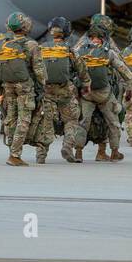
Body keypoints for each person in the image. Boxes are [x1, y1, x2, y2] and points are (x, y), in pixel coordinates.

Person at [0, 12, 45, 166]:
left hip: (7, 85)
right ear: (25, 27)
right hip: (24, 87)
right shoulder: (31, 45)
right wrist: (44, 85)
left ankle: (11, 146)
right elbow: (39, 71)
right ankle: (14, 155)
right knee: (24, 120)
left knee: (11, 117)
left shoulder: (1, 44)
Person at [78, 22, 132, 161]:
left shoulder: (80, 51)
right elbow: (122, 68)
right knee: (113, 122)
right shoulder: (108, 52)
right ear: (103, 37)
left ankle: (78, 152)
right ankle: (114, 152)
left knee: (83, 123)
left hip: (86, 93)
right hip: (104, 93)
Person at [35, 16, 85, 163]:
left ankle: (41, 155)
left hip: (46, 92)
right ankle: (68, 147)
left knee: (46, 122)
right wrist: (86, 83)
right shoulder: (69, 49)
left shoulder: (41, 47)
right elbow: (81, 69)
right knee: (71, 119)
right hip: (65, 92)